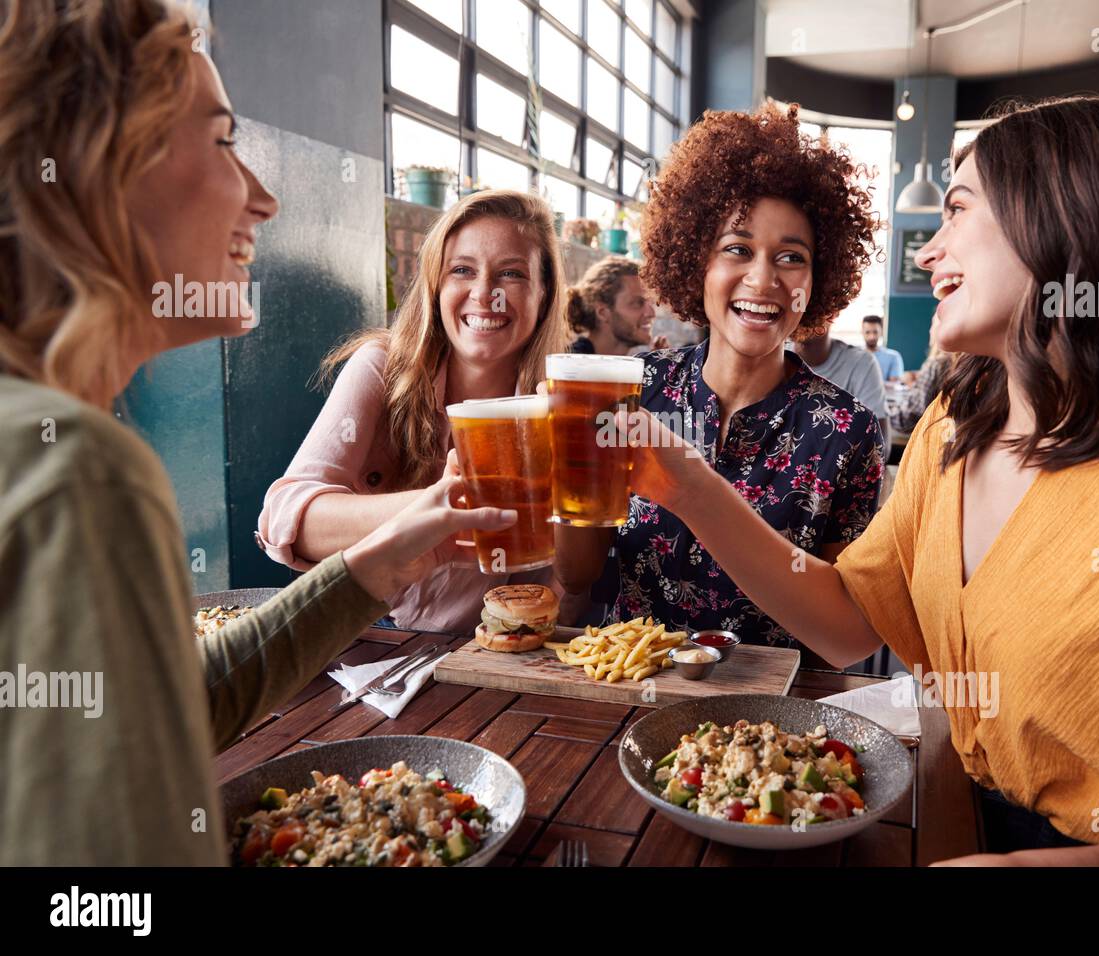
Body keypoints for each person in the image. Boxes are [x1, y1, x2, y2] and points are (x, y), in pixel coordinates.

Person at [604, 96, 1099, 863]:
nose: (929, 254)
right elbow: (846, 622)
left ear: (1064, 222)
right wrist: (691, 485)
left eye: (958, 211)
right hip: (951, 808)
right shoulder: (954, 432)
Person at [0, 0, 518, 864]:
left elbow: (172, 706)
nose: (266, 197)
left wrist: (376, 566)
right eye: (223, 140)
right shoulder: (83, 474)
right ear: (100, 169)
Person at [554, 103, 886, 652]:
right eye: (737, 249)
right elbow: (577, 575)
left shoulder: (850, 433)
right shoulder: (631, 390)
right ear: (695, 263)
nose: (762, 278)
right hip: (627, 690)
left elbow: (846, 637)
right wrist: (572, 466)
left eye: (791, 257)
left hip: (770, 723)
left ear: (817, 280)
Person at [257, 189, 571, 633]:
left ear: (544, 296)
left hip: (495, 651)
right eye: (462, 270)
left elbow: (568, 581)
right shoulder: (381, 368)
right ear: (436, 287)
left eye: (512, 275)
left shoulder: (561, 404)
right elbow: (285, 517)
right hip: (371, 640)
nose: (485, 294)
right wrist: (433, 508)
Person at [790, 326, 890, 445]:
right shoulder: (771, 357)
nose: (801, 310)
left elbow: (880, 446)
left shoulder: (860, 363)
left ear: (834, 311)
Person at [565, 256, 666, 355]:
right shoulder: (570, 364)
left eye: (651, 302)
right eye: (637, 303)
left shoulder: (626, 367)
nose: (652, 313)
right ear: (603, 312)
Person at [890, 313, 952, 434]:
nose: (929, 330)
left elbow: (907, 420)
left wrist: (886, 412)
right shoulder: (959, 363)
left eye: (933, 324)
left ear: (942, 330)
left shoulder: (935, 365)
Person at [862, 314, 904, 382]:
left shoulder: (893, 356)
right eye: (867, 332)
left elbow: (894, 385)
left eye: (875, 332)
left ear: (881, 332)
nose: (872, 337)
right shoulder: (854, 356)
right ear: (862, 332)